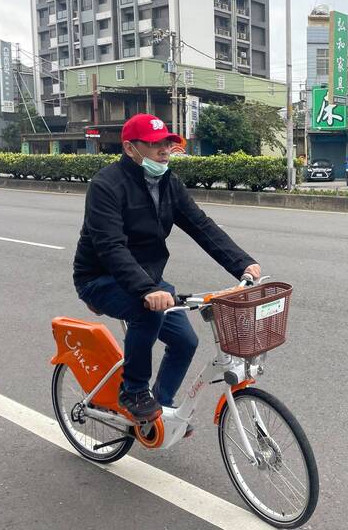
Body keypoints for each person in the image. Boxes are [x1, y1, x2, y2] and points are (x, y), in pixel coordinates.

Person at [73, 113, 260, 422]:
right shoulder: (106, 185)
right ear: (131, 148)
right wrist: (147, 289)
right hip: (100, 278)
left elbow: (202, 227)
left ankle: (160, 409)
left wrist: (244, 263)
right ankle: (133, 391)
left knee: (186, 341)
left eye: (168, 143)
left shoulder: (168, 183)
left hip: (148, 279)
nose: (164, 150)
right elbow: (111, 247)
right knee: (147, 312)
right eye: (155, 144)